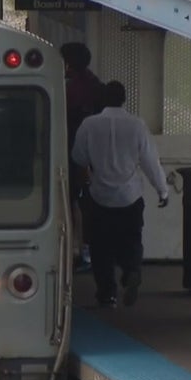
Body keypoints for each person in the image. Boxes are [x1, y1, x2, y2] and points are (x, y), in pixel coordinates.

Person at [71, 81, 169, 308]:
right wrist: (162, 190)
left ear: (102, 100)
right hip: (130, 196)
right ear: (124, 99)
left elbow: (78, 159)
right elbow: (150, 162)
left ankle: (107, 294)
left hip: (99, 197)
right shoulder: (137, 125)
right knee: (132, 239)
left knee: (100, 247)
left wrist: (80, 189)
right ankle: (131, 271)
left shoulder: (89, 125)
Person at [61, 42, 105, 274]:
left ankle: (76, 249)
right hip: (97, 157)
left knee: (72, 203)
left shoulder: (70, 90)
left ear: (69, 64)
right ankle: (89, 250)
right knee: (88, 205)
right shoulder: (96, 86)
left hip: (74, 154)